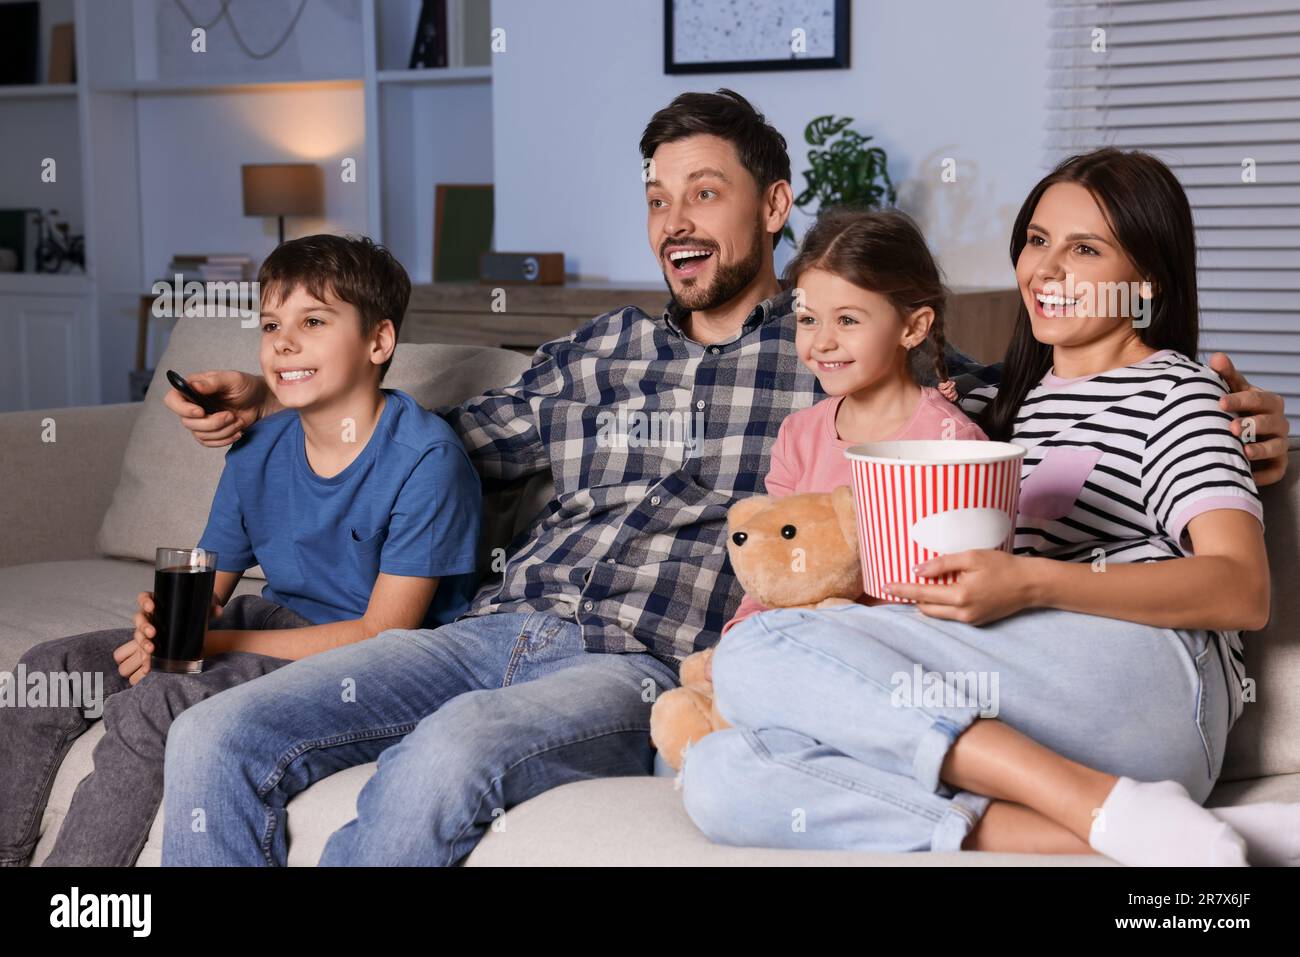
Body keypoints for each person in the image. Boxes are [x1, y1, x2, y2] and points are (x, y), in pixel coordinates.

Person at [156, 92, 1290, 866]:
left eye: (703, 192)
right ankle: (1118, 829)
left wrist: (1263, 429)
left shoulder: (849, 353)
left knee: (488, 745)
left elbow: (1012, 414)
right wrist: (291, 393)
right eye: (657, 197)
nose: (675, 220)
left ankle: (1112, 811)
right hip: (494, 624)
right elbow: (429, 443)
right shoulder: (601, 351)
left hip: (635, 659)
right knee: (218, 737)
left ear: (775, 206)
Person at [681, 148, 1298, 867]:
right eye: (1037, 240)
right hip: (1026, 697)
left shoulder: (1180, 395)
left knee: (757, 652)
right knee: (721, 775)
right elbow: (888, 371)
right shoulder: (997, 406)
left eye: (1085, 249)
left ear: (1146, 280)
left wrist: (1031, 583)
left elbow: (1241, 588)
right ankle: (1144, 828)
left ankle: (1092, 804)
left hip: (1149, 683)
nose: (1047, 270)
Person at [0, 234, 481, 866]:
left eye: (313, 322)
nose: (283, 342)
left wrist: (215, 644)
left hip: (371, 660)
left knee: (160, 702)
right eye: (272, 325)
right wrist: (166, 626)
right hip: (267, 624)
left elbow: (382, 634)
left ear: (379, 341)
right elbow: (207, 587)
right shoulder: (258, 448)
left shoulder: (426, 460)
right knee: (48, 670)